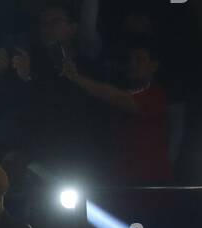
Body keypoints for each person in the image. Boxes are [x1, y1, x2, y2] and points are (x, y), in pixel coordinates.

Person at [62, 41, 171, 183]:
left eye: (139, 59)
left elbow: (117, 97)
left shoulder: (156, 95)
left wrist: (77, 77)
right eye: (130, 59)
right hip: (120, 178)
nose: (132, 64)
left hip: (150, 180)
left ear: (154, 65)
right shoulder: (125, 91)